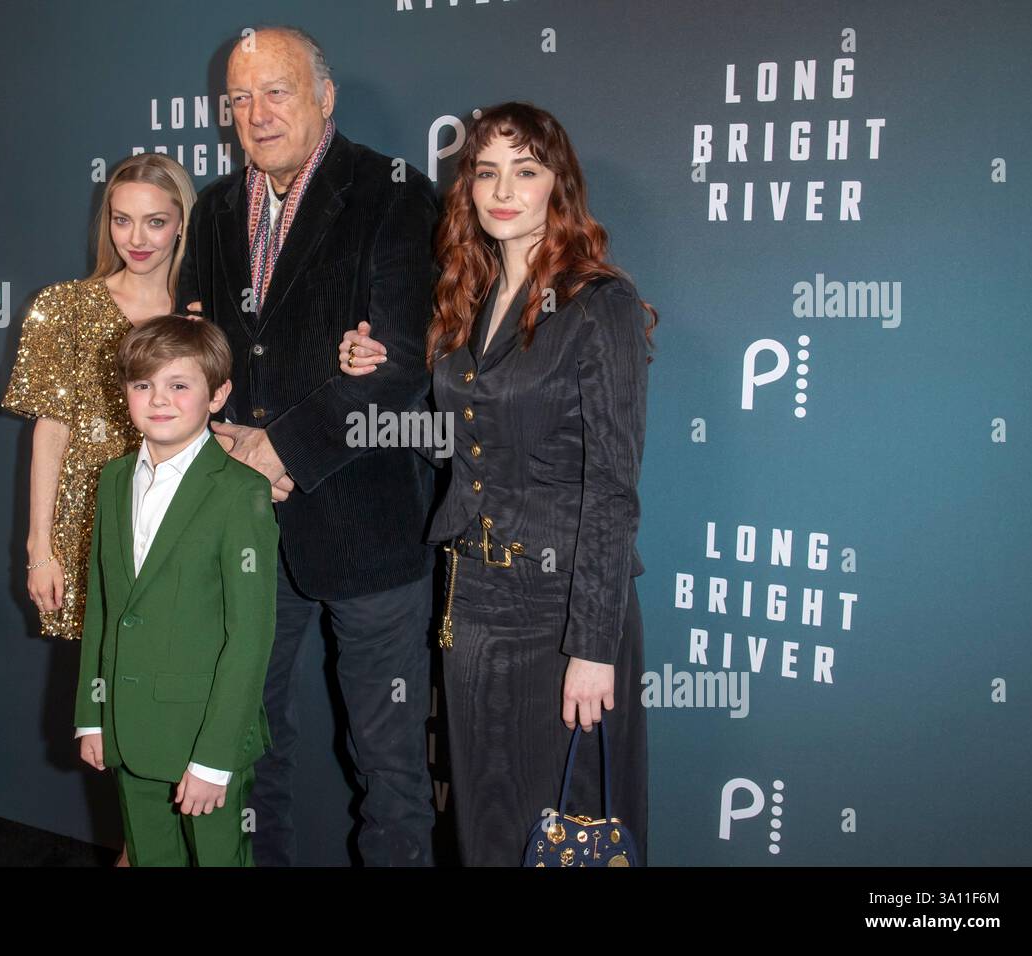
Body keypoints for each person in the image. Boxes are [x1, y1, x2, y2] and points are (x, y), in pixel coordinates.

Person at [338, 102, 656, 866]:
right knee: (485, 822)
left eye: (526, 170)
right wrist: (379, 367)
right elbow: (460, 441)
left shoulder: (598, 305)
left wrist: (592, 646)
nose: (502, 189)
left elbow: (612, 488)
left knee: (565, 831)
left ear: (559, 185)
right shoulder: (468, 301)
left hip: (562, 611)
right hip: (472, 602)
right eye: (486, 172)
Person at [177, 26, 438, 866]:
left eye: (277, 91)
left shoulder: (394, 194)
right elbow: (202, 354)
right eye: (241, 98)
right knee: (253, 752)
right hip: (250, 530)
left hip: (368, 525)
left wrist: (279, 450)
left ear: (325, 97)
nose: (256, 114)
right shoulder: (216, 209)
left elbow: (398, 365)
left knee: (390, 770)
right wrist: (231, 449)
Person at [3, 153, 197, 866]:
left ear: (182, 224)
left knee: (185, 707)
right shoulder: (64, 305)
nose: (136, 238)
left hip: (187, 533)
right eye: (121, 220)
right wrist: (40, 548)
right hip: (95, 533)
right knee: (118, 712)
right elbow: (49, 430)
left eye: (155, 221)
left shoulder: (204, 312)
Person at [73, 316, 279, 867]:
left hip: (206, 736)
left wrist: (214, 759)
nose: (158, 400)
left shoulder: (242, 493)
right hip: (127, 724)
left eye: (178, 385)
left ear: (219, 395)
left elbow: (250, 637)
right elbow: (104, 607)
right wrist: (93, 714)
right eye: (143, 385)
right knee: (147, 857)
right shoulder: (113, 478)